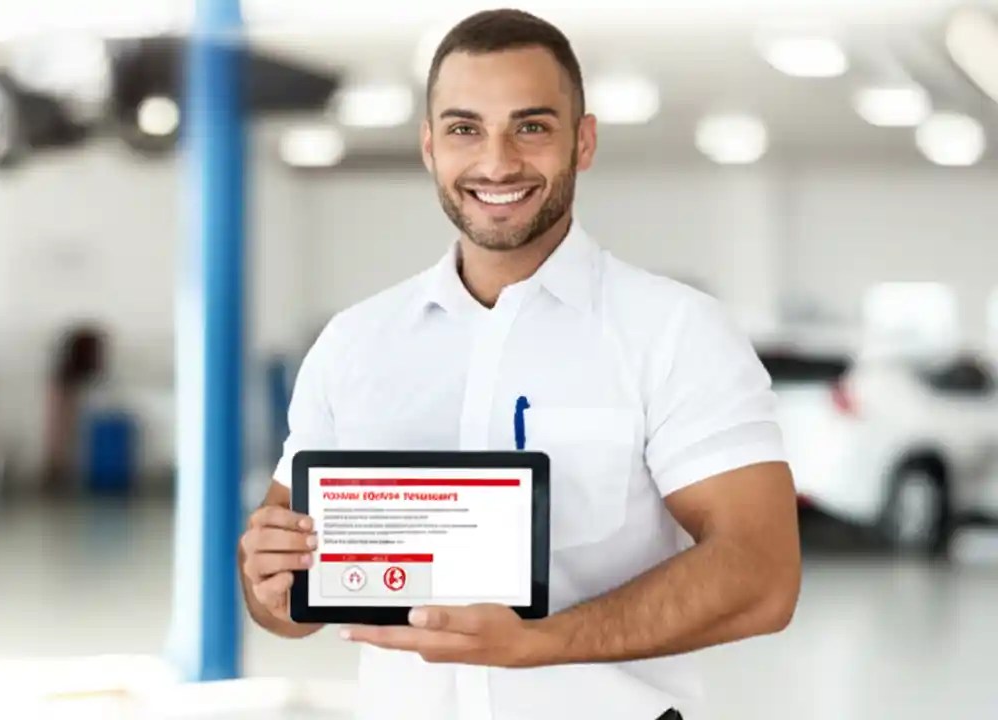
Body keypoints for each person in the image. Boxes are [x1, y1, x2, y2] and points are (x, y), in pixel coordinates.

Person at [238, 9, 801, 720]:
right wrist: (267, 579)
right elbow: (288, 603)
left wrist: (540, 641)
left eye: (530, 126)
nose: (497, 162)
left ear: (583, 141)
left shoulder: (675, 332)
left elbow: (761, 573)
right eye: (464, 128)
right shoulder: (354, 344)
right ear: (429, 146)